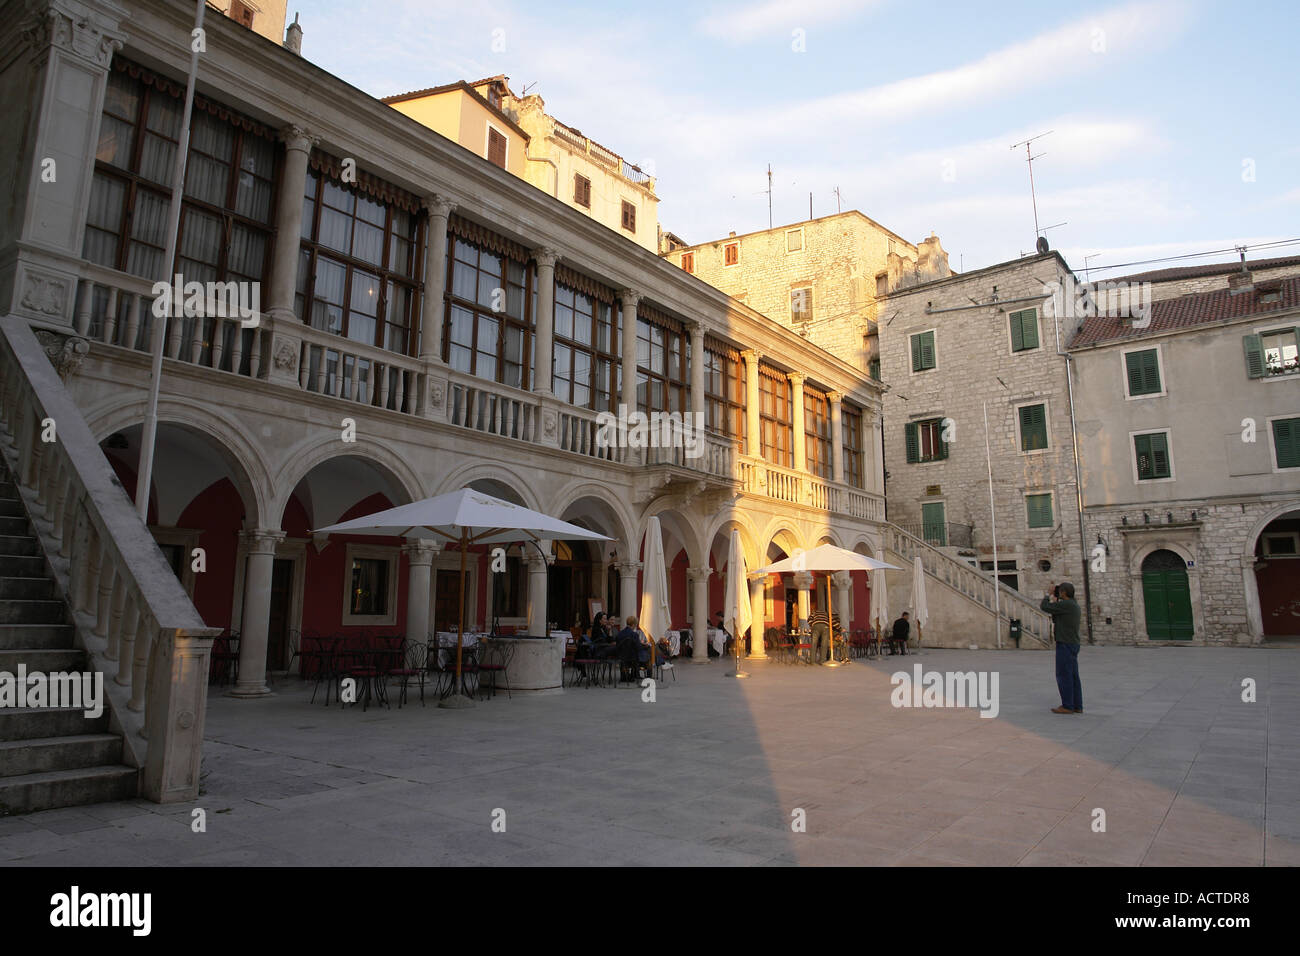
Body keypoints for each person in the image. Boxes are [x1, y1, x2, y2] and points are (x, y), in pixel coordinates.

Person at [1041, 582, 1083, 714]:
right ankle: (1077, 705)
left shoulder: (1067, 605)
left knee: (1064, 674)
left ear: (1064, 592)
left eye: (1060, 591)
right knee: (1073, 675)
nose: (1058, 592)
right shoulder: (1072, 604)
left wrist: (1048, 594)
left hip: (1065, 644)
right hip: (1072, 643)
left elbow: (1045, 606)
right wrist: (1056, 601)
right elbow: (1056, 617)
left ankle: (1068, 705)